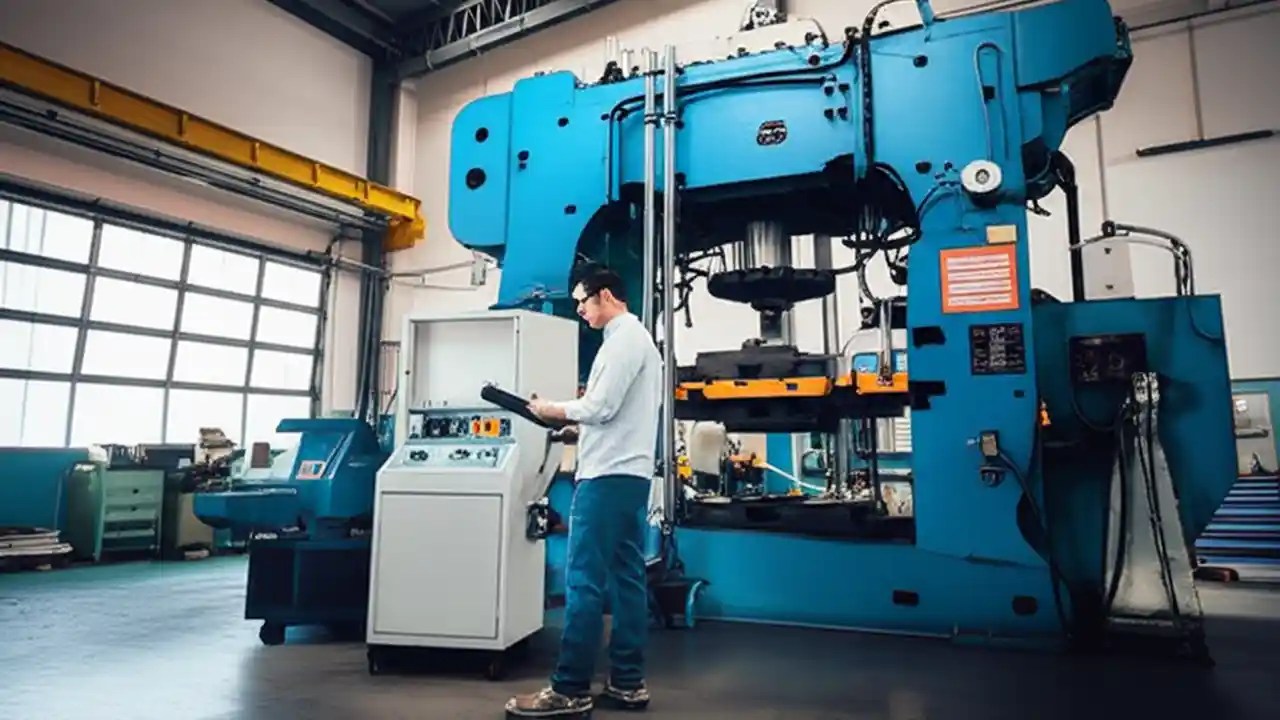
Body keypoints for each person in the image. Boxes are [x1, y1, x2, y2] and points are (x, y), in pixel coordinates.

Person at [505, 267, 662, 718]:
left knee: (583, 580)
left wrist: (551, 410)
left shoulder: (623, 341)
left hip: (606, 478)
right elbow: (615, 415)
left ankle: (570, 688)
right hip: (628, 475)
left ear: (606, 295)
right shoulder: (635, 342)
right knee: (627, 576)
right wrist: (577, 431)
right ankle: (628, 682)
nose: (578, 309)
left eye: (582, 301)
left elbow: (601, 406)